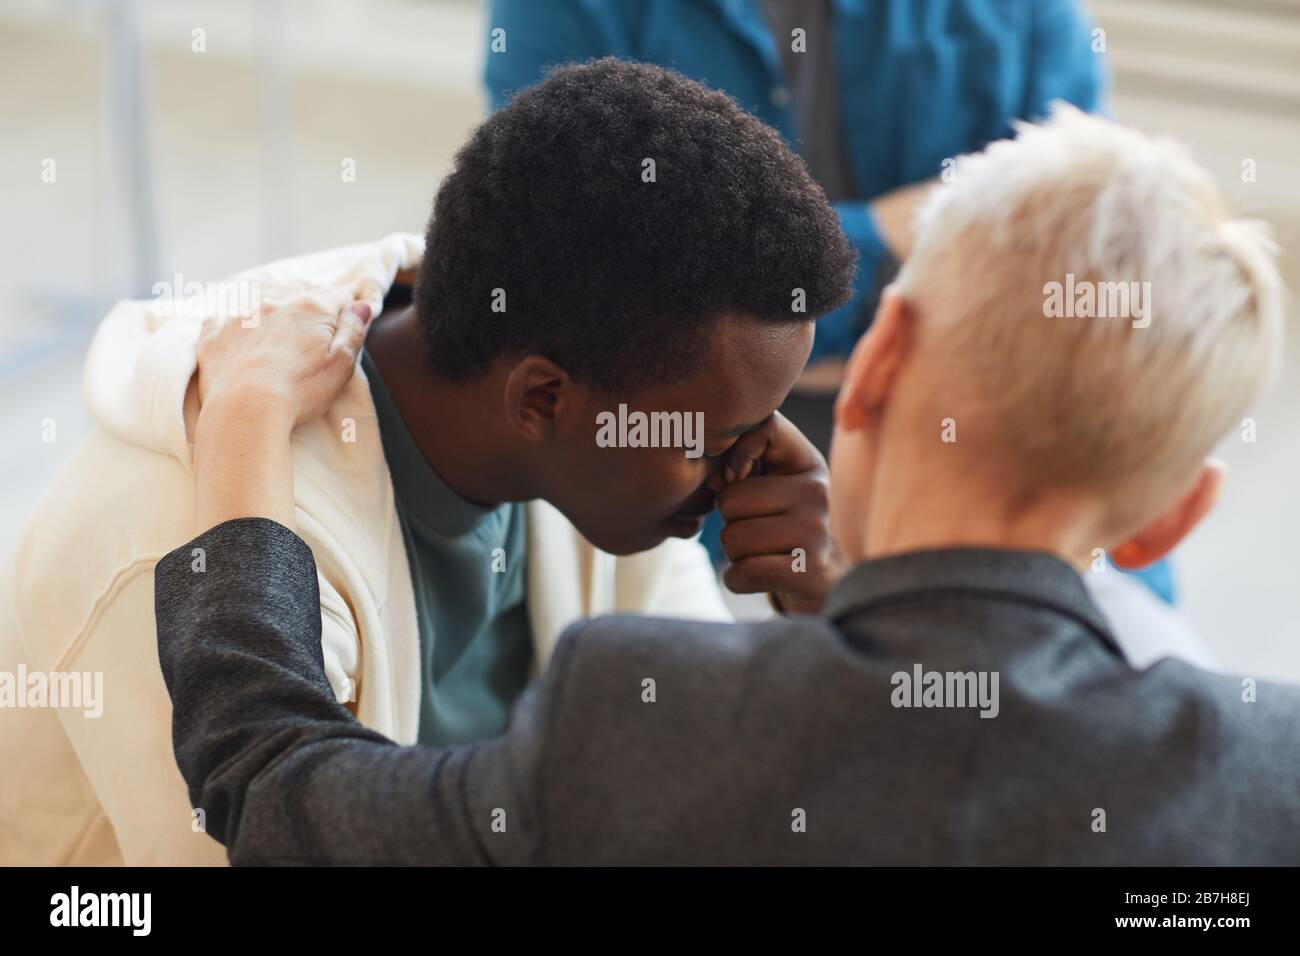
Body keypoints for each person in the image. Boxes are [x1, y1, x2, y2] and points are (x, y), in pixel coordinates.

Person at [154, 105, 1299, 865]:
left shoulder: (643, 717)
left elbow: (271, 792)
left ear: (879, 360)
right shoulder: (1267, 775)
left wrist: (247, 415)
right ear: (1170, 516)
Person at [0, 59, 854, 865]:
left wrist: (832, 620)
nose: (759, 465)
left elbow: (693, 785)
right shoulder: (180, 552)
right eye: (715, 439)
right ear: (542, 402)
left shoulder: (596, 440)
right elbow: (263, 804)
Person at [483, 0, 1177, 605]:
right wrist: (885, 247)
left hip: (991, 475)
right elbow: (589, 277)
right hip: (707, 521)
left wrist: (758, 323)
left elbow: (1080, 275)